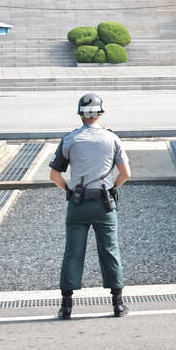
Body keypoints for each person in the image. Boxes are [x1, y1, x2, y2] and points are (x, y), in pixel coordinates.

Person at [49, 93, 131, 318]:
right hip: (104, 204)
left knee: (73, 252)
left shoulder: (70, 140)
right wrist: (113, 187)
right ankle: (118, 304)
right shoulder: (112, 139)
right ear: (100, 113)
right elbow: (126, 174)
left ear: (80, 115)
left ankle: (66, 306)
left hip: (78, 203)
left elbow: (55, 175)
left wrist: (68, 189)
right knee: (110, 250)